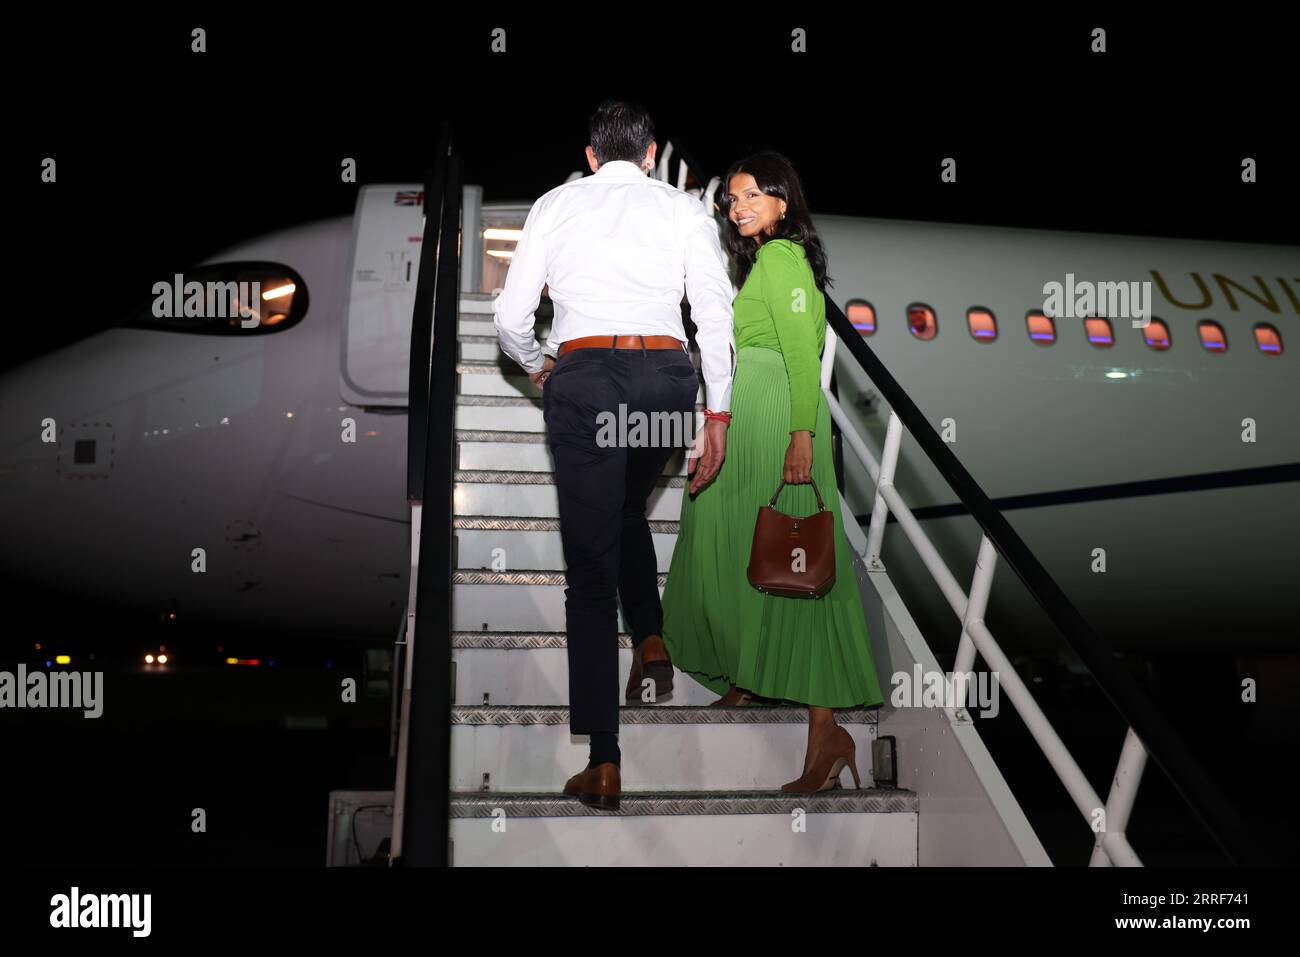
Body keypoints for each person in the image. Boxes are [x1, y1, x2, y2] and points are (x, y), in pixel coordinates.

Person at [494, 100, 736, 810]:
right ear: (653, 153)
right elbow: (713, 310)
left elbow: (510, 318)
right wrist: (716, 412)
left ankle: (604, 760)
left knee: (590, 574)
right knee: (627, 507)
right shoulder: (685, 209)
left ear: (592, 156)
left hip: (588, 383)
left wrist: (539, 360)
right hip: (664, 386)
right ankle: (652, 638)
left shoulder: (555, 204)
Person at [660, 151, 885, 793]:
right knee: (727, 545)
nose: (739, 207)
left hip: (776, 421)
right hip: (747, 419)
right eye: (732, 200)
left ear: (784, 200)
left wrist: (802, 439)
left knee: (793, 569)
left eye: (753, 194)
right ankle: (746, 673)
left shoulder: (784, 259)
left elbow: (801, 359)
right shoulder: (762, 261)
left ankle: (826, 733)